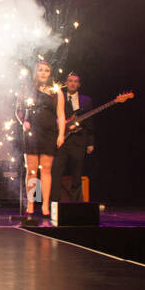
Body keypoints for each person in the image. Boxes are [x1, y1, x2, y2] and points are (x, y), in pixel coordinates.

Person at [14, 60, 65, 220]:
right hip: (32, 133)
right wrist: (24, 122)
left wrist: (61, 134)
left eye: (47, 70)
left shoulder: (57, 92)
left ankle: (45, 207)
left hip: (49, 132)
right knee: (31, 170)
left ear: (50, 73)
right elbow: (18, 110)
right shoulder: (27, 90)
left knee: (47, 170)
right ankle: (30, 205)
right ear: (36, 72)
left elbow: (61, 115)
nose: (43, 73)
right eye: (41, 70)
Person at [50, 72, 94, 203]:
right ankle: (55, 204)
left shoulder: (86, 100)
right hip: (61, 140)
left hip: (79, 141)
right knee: (56, 172)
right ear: (66, 83)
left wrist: (90, 143)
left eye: (75, 81)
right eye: (70, 81)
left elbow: (90, 123)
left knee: (77, 174)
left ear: (79, 84)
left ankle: (75, 204)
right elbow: (52, 115)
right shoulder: (58, 97)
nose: (73, 83)